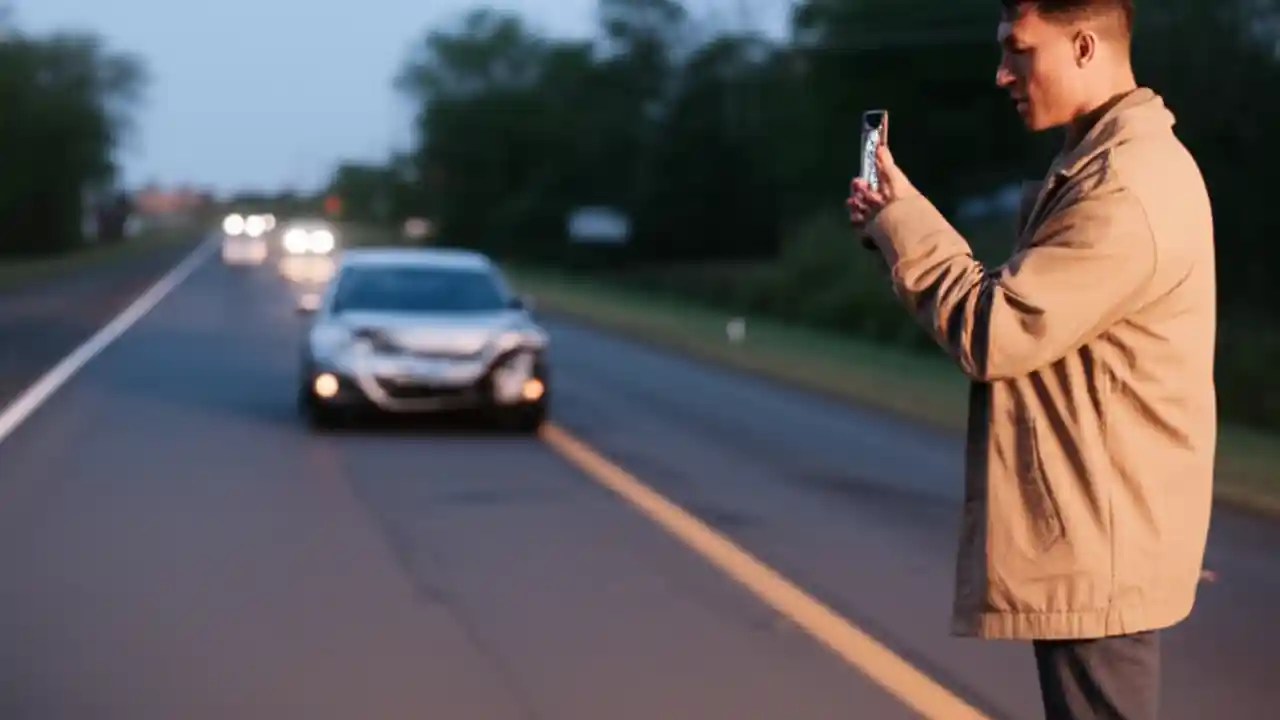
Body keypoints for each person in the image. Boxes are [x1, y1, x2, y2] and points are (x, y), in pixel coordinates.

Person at [846, 1, 1216, 718]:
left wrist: (902, 223)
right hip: (1102, 533)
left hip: (1105, 545)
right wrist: (899, 222)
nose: (1002, 73)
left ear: (1084, 46)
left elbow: (995, 331)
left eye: (1019, 49)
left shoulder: (1123, 186)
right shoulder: (1107, 165)